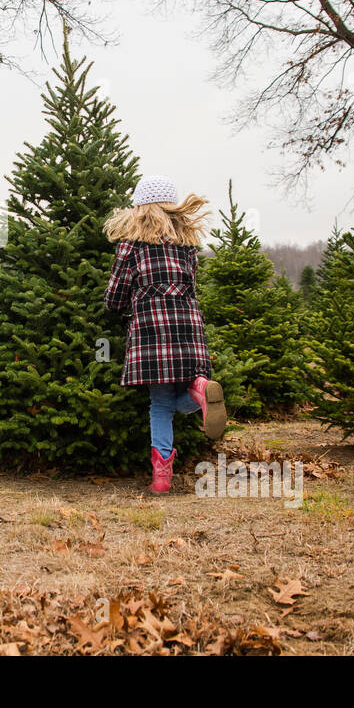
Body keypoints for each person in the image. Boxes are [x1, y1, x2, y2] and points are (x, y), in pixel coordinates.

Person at [103, 174, 226, 493]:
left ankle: (161, 478)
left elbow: (116, 296)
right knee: (177, 400)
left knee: (159, 403)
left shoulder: (131, 245)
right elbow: (192, 287)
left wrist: (119, 307)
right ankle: (200, 390)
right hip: (189, 324)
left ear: (140, 208)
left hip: (152, 330)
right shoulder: (188, 245)